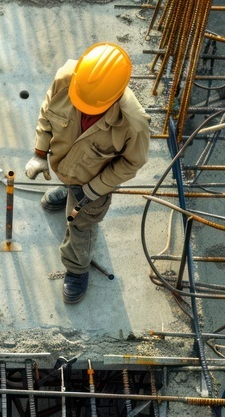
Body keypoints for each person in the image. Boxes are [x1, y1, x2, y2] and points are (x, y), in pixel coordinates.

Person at [24, 43, 151, 304]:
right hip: (66, 167)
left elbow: (132, 163)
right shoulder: (67, 79)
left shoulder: (133, 124)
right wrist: (39, 152)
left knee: (80, 223)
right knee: (72, 190)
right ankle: (68, 192)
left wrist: (94, 189)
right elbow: (47, 113)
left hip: (94, 182)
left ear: (113, 98)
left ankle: (77, 268)